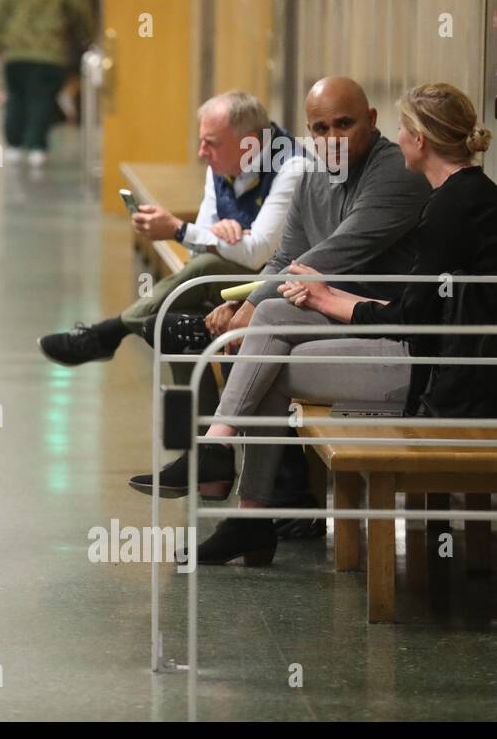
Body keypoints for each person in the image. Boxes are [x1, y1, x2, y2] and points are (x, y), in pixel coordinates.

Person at [174, 83, 496, 565]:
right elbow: (295, 257)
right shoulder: (456, 197)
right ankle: (237, 488)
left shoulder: (443, 204)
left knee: (268, 363)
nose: (332, 138)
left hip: (436, 372)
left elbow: (410, 315)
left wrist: (333, 301)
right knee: (268, 331)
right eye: (320, 127)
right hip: (428, 352)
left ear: (415, 139)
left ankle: (244, 504)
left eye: (345, 124)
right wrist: (330, 299)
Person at [39, 90, 303, 366]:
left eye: (211, 143)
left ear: (250, 142)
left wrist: (178, 230)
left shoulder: (293, 168)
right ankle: (193, 408)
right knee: (170, 325)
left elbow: (257, 252)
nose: (202, 153)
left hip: (282, 286)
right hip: (240, 273)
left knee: (205, 270)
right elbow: (202, 242)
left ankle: (110, 332)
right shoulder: (221, 162)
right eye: (202, 141)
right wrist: (219, 233)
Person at [0, 0, 93, 170]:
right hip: (51, 52)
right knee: (42, 99)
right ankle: (36, 147)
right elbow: (80, 9)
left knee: (16, 97)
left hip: (17, 51)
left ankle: (14, 145)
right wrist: (86, 36)